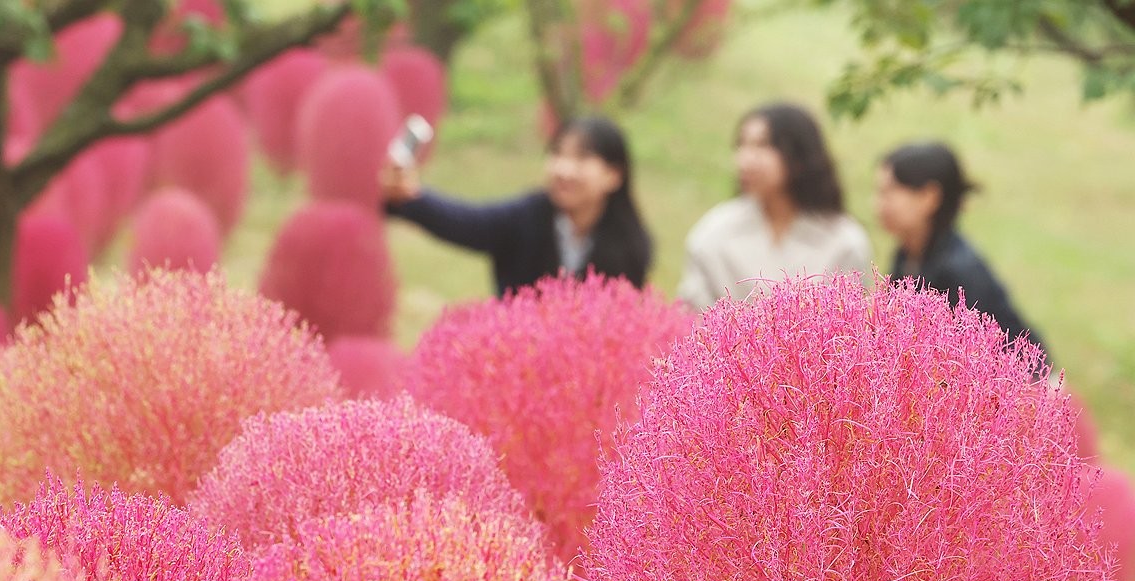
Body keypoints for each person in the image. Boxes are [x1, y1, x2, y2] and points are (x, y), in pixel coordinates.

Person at [381, 115, 653, 296]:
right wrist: (410, 197)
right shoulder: (528, 217)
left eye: (581, 158)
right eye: (557, 153)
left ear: (613, 176)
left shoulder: (631, 247)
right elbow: (466, 222)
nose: (563, 169)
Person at [677, 102, 872, 308]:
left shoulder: (844, 242)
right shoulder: (713, 233)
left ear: (799, 155)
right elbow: (691, 317)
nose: (745, 160)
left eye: (762, 145)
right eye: (741, 145)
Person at [875, 141, 1047, 357]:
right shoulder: (906, 253)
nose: (879, 204)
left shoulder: (958, 271)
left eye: (889, 193)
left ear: (929, 197)